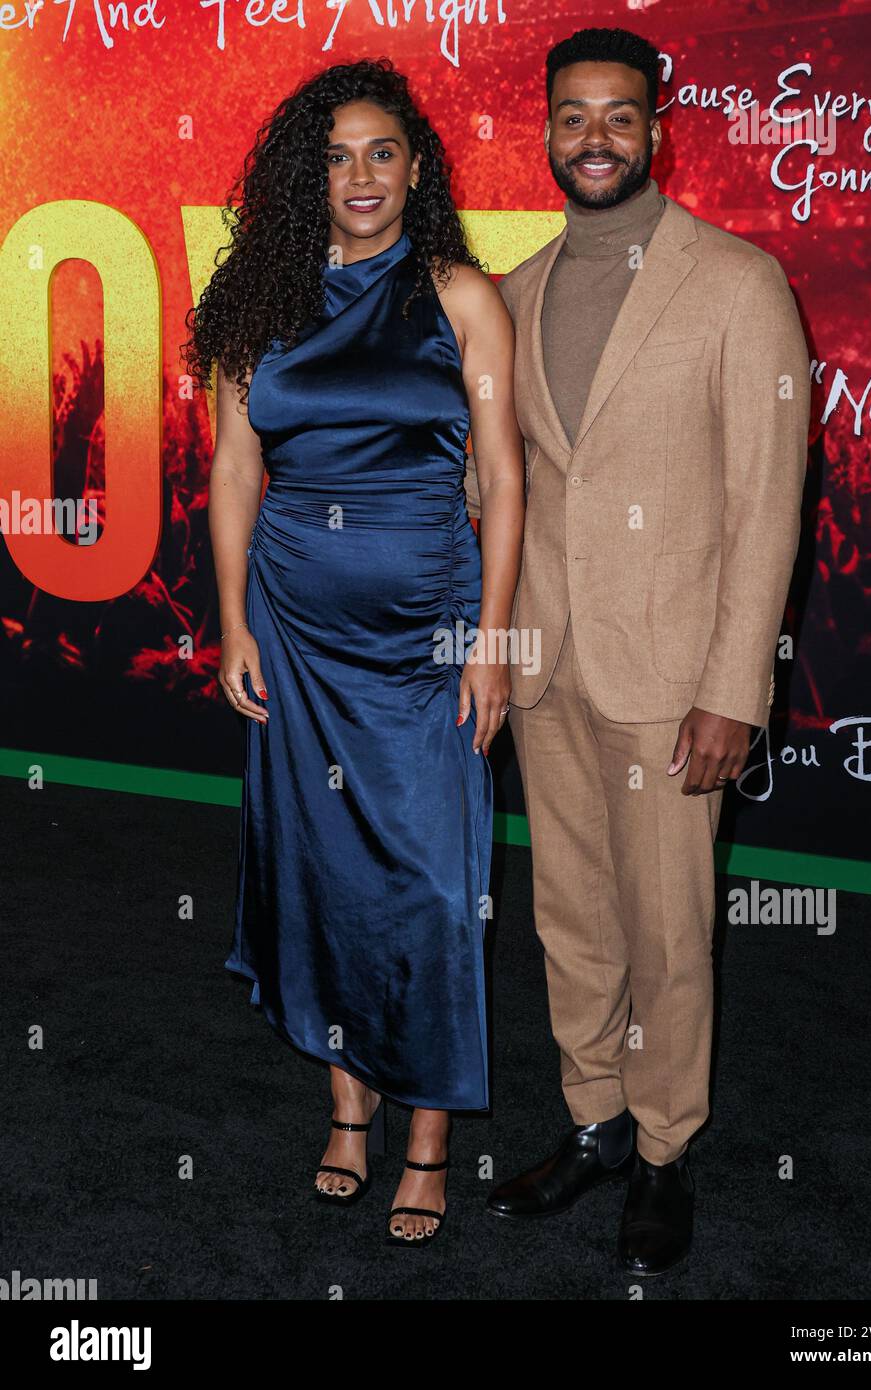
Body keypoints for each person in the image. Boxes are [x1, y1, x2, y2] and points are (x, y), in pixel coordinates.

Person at [464, 27, 810, 1275]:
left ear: (659, 130)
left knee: (669, 928)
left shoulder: (737, 282)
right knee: (570, 918)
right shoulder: (513, 290)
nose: (595, 136)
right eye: (573, 116)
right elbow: (492, 494)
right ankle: (596, 1120)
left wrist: (734, 689)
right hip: (548, 666)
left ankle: (666, 1150)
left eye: (620, 115)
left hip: (672, 684)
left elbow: (768, 504)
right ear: (545, 130)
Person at [185, 58, 525, 1247]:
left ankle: (429, 1131)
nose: (362, 174)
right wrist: (232, 619)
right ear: (305, 176)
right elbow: (235, 470)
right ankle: (347, 1109)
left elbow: (506, 478)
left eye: (383, 151)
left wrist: (492, 645)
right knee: (319, 871)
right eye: (336, 155)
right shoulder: (254, 299)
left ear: (417, 167)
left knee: (435, 883)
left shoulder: (462, 296)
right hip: (293, 621)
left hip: (428, 635)